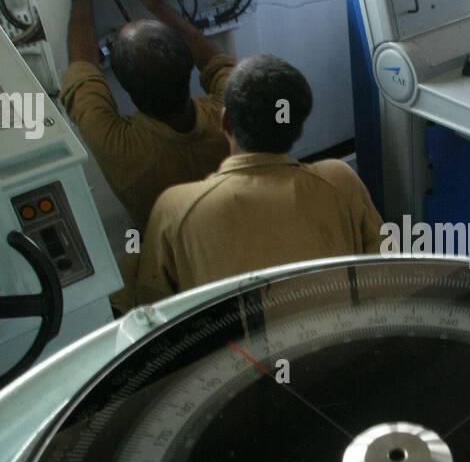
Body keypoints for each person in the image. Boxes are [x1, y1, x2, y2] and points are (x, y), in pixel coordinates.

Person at [133, 54, 383, 303]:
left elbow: (150, 305)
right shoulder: (340, 180)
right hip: (341, 331)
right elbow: (386, 266)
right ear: (298, 129)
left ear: (225, 121)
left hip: (235, 341)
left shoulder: (175, 208)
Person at [61, 0, 233, 230]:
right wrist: (159, 6)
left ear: (124, 89)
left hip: (170, 265)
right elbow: (221, 66)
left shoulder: (119, 145)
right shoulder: (229, 117)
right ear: (188, 67)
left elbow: (82, 71)